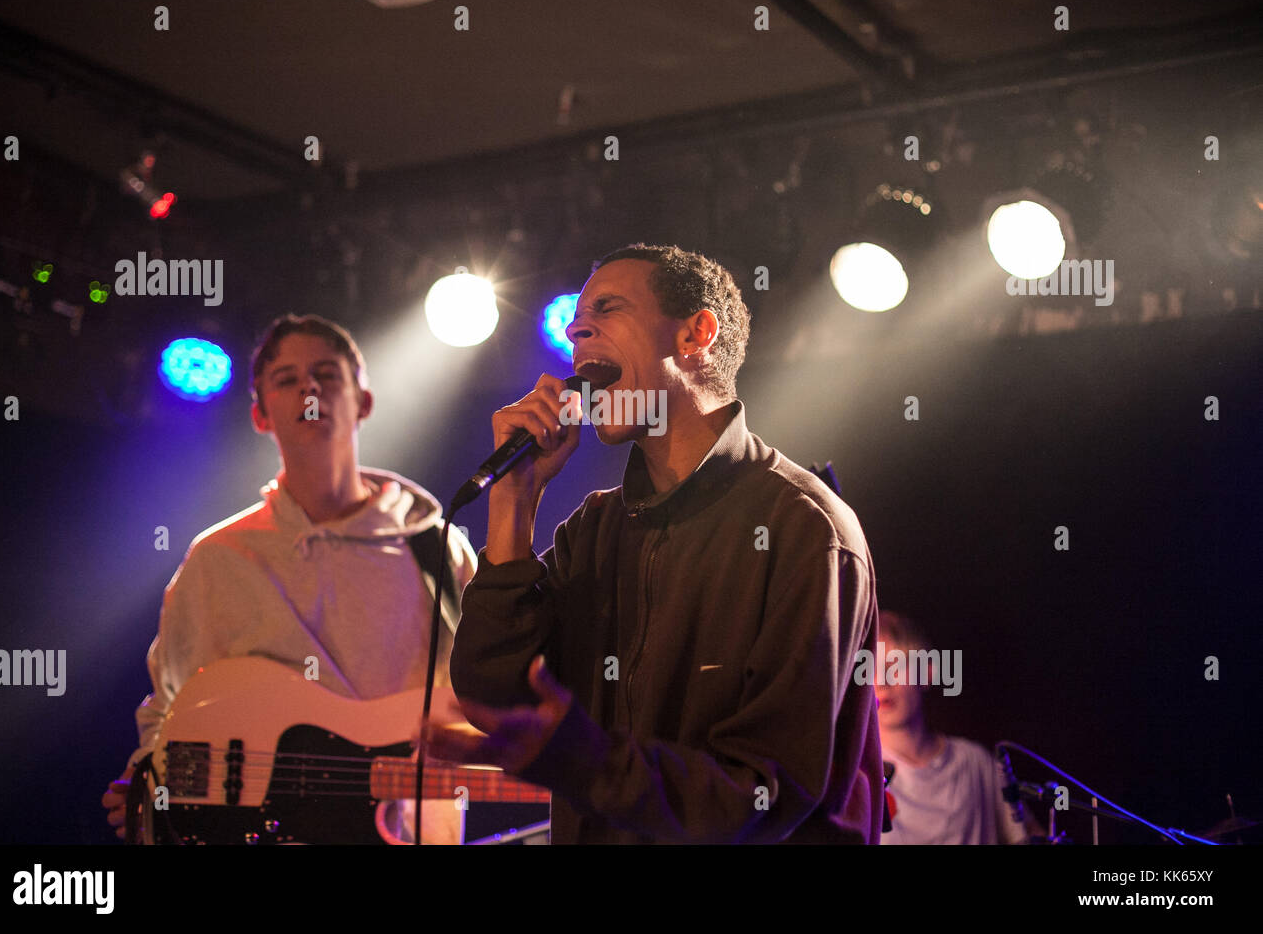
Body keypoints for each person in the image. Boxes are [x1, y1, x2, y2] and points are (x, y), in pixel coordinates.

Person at [427, 243, 883, 843]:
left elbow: (764, 791)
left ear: (696, 334)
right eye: (573, 325)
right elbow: (495, 695)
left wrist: (582, 756)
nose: (576, 329)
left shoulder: (803, 527)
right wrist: (514, 501)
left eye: (606, 308)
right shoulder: (594, 531)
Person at [101, 313, 475, 844]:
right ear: (259, 413)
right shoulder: (218, 556)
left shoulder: (438, 550)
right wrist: (150, 791)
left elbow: (483, 697)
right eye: (287, 379)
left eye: (327, 373)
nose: (309, 387)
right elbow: (171, 709)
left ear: (364, 402)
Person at [874, 610, 1029, 845]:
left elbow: (1030, 836)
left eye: (893, 666)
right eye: (869, 670)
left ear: (926, 673)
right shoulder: (858, 775)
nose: (881, 682)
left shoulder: (975, 763)